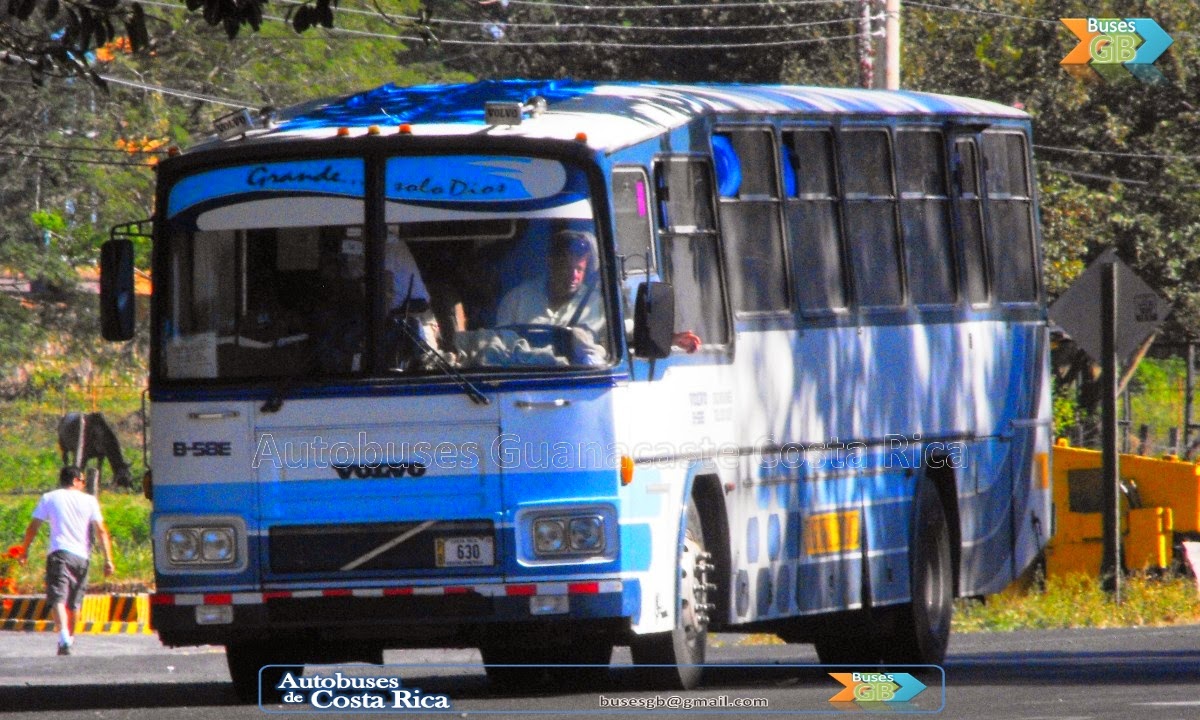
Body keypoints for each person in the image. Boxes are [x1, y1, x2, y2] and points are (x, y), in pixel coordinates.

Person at [18, 466, 115, 656]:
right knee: (74, 602)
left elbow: (33, 527)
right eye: (83, 481)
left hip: (59, 553)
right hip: (82, 557)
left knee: (58, 597)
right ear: (76, 480)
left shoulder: (50, 498)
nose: (84, 484)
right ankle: (69, 639)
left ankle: (64, 637)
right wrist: (108, 559)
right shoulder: (90, 501)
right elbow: (101, 531)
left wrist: (24, 550)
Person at [495, 229, 607, 364]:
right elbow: (500, 349)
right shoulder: (517, 299)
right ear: (551, 263)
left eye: (579, 269)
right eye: (567, 267)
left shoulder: (597, 305)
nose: (573, 276)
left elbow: (607, 352)